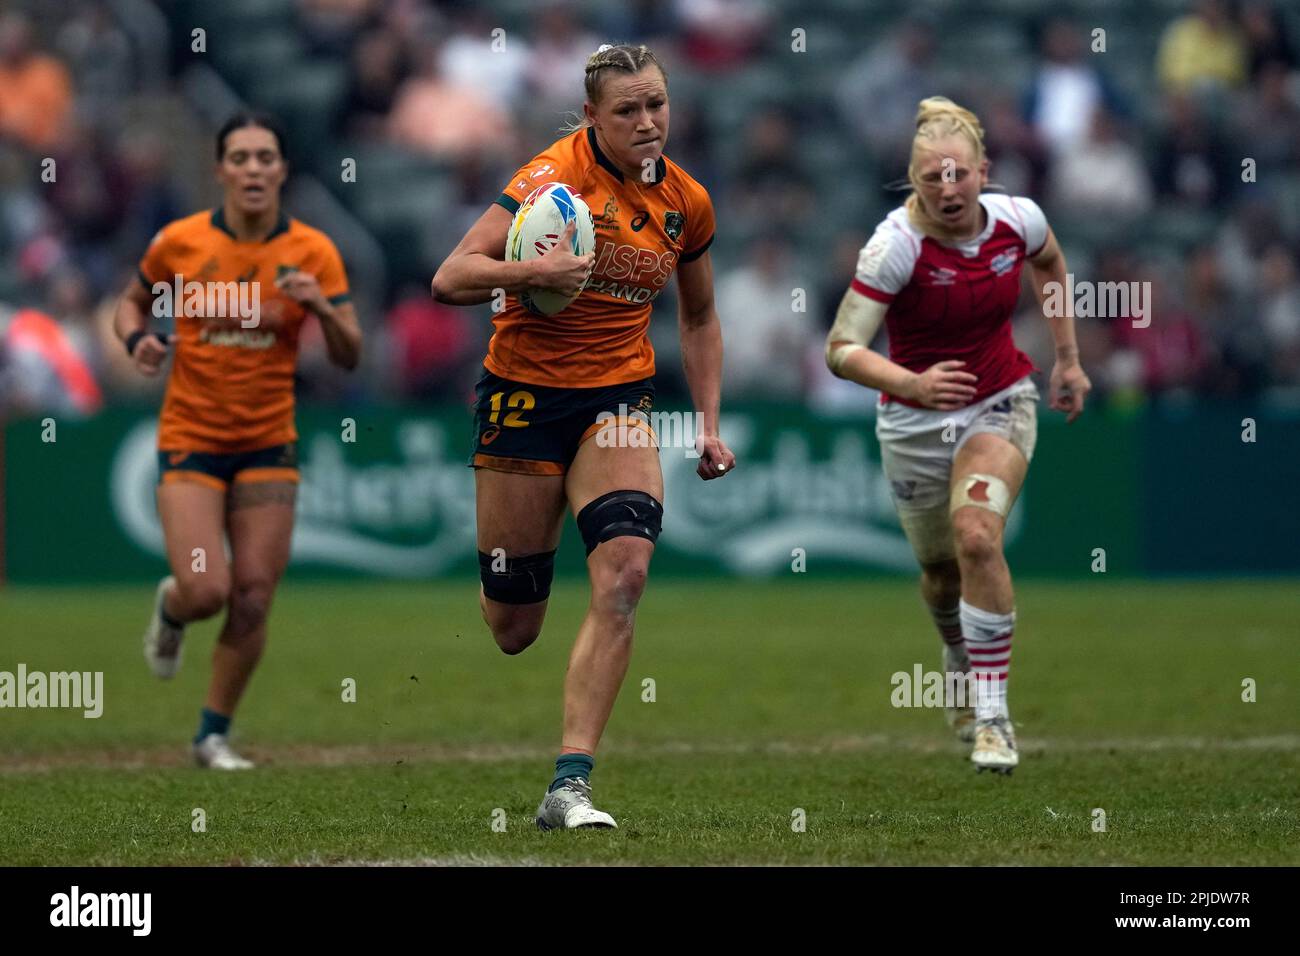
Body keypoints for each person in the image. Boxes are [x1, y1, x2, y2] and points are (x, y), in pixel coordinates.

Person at [432, 43, 735, 828]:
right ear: (593, 116)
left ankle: (570, 785)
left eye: (657, 105)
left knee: (626, 573)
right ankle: (513, 580)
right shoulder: (550, 180)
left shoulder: (686, 203)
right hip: (524, 401)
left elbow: (699, 317)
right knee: (512, 628)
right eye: (628, 110)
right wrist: (529, 274)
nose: (647, 123)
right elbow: (451, 275)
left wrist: (707, 424)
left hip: (617, 403)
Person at [824, 97, 1091, 773]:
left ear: (984, 172)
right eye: (932, 180)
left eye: (960, 176)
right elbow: (840, 348)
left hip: (999, 399)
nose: (948, 190)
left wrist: (1066, 357)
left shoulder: (1018, 220)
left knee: (977, 536)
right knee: (941, 577)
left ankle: (993, 719)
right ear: (912, 184)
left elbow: (1052, 265)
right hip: (914, 421)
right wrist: (912, 384)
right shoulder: (894, 248)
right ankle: (955, 651)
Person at [113, 111, 362, 769]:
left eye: (265, 157)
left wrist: (324, 309)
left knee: (253, 596)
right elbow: (130, 304)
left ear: (282, 170)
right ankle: (172, 608)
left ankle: (211, 735)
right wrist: (138, 341)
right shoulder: (181, 242)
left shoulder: (313, 251)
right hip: (192, 436)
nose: (254, 169)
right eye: (242, 157)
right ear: (221, 169)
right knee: (207, 591)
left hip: (266, 441)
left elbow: (350, 355)